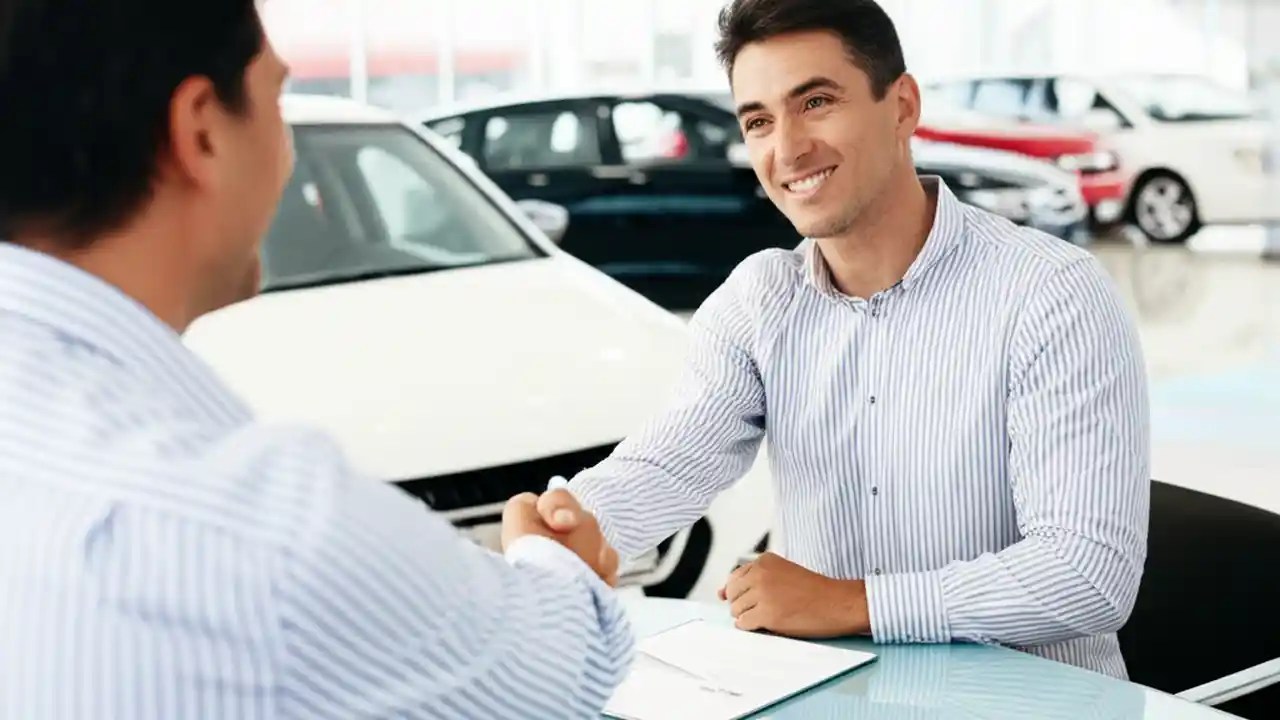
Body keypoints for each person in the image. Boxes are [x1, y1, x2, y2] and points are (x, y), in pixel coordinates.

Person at [0, 1, 629, 718]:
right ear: (201, 129)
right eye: (276, 97)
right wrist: (558, 567)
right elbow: (554, 673)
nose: (286, 142)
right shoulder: (258, 528)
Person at [549, 0, 1150, 679]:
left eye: (816, 102)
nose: (787, 148)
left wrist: (856, 603)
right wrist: (573, 521)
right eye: (758, 121)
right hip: (838, 696)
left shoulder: (1050, 294)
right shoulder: (759, 301)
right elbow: (671, 462)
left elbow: (1089, 574)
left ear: (902, 106)